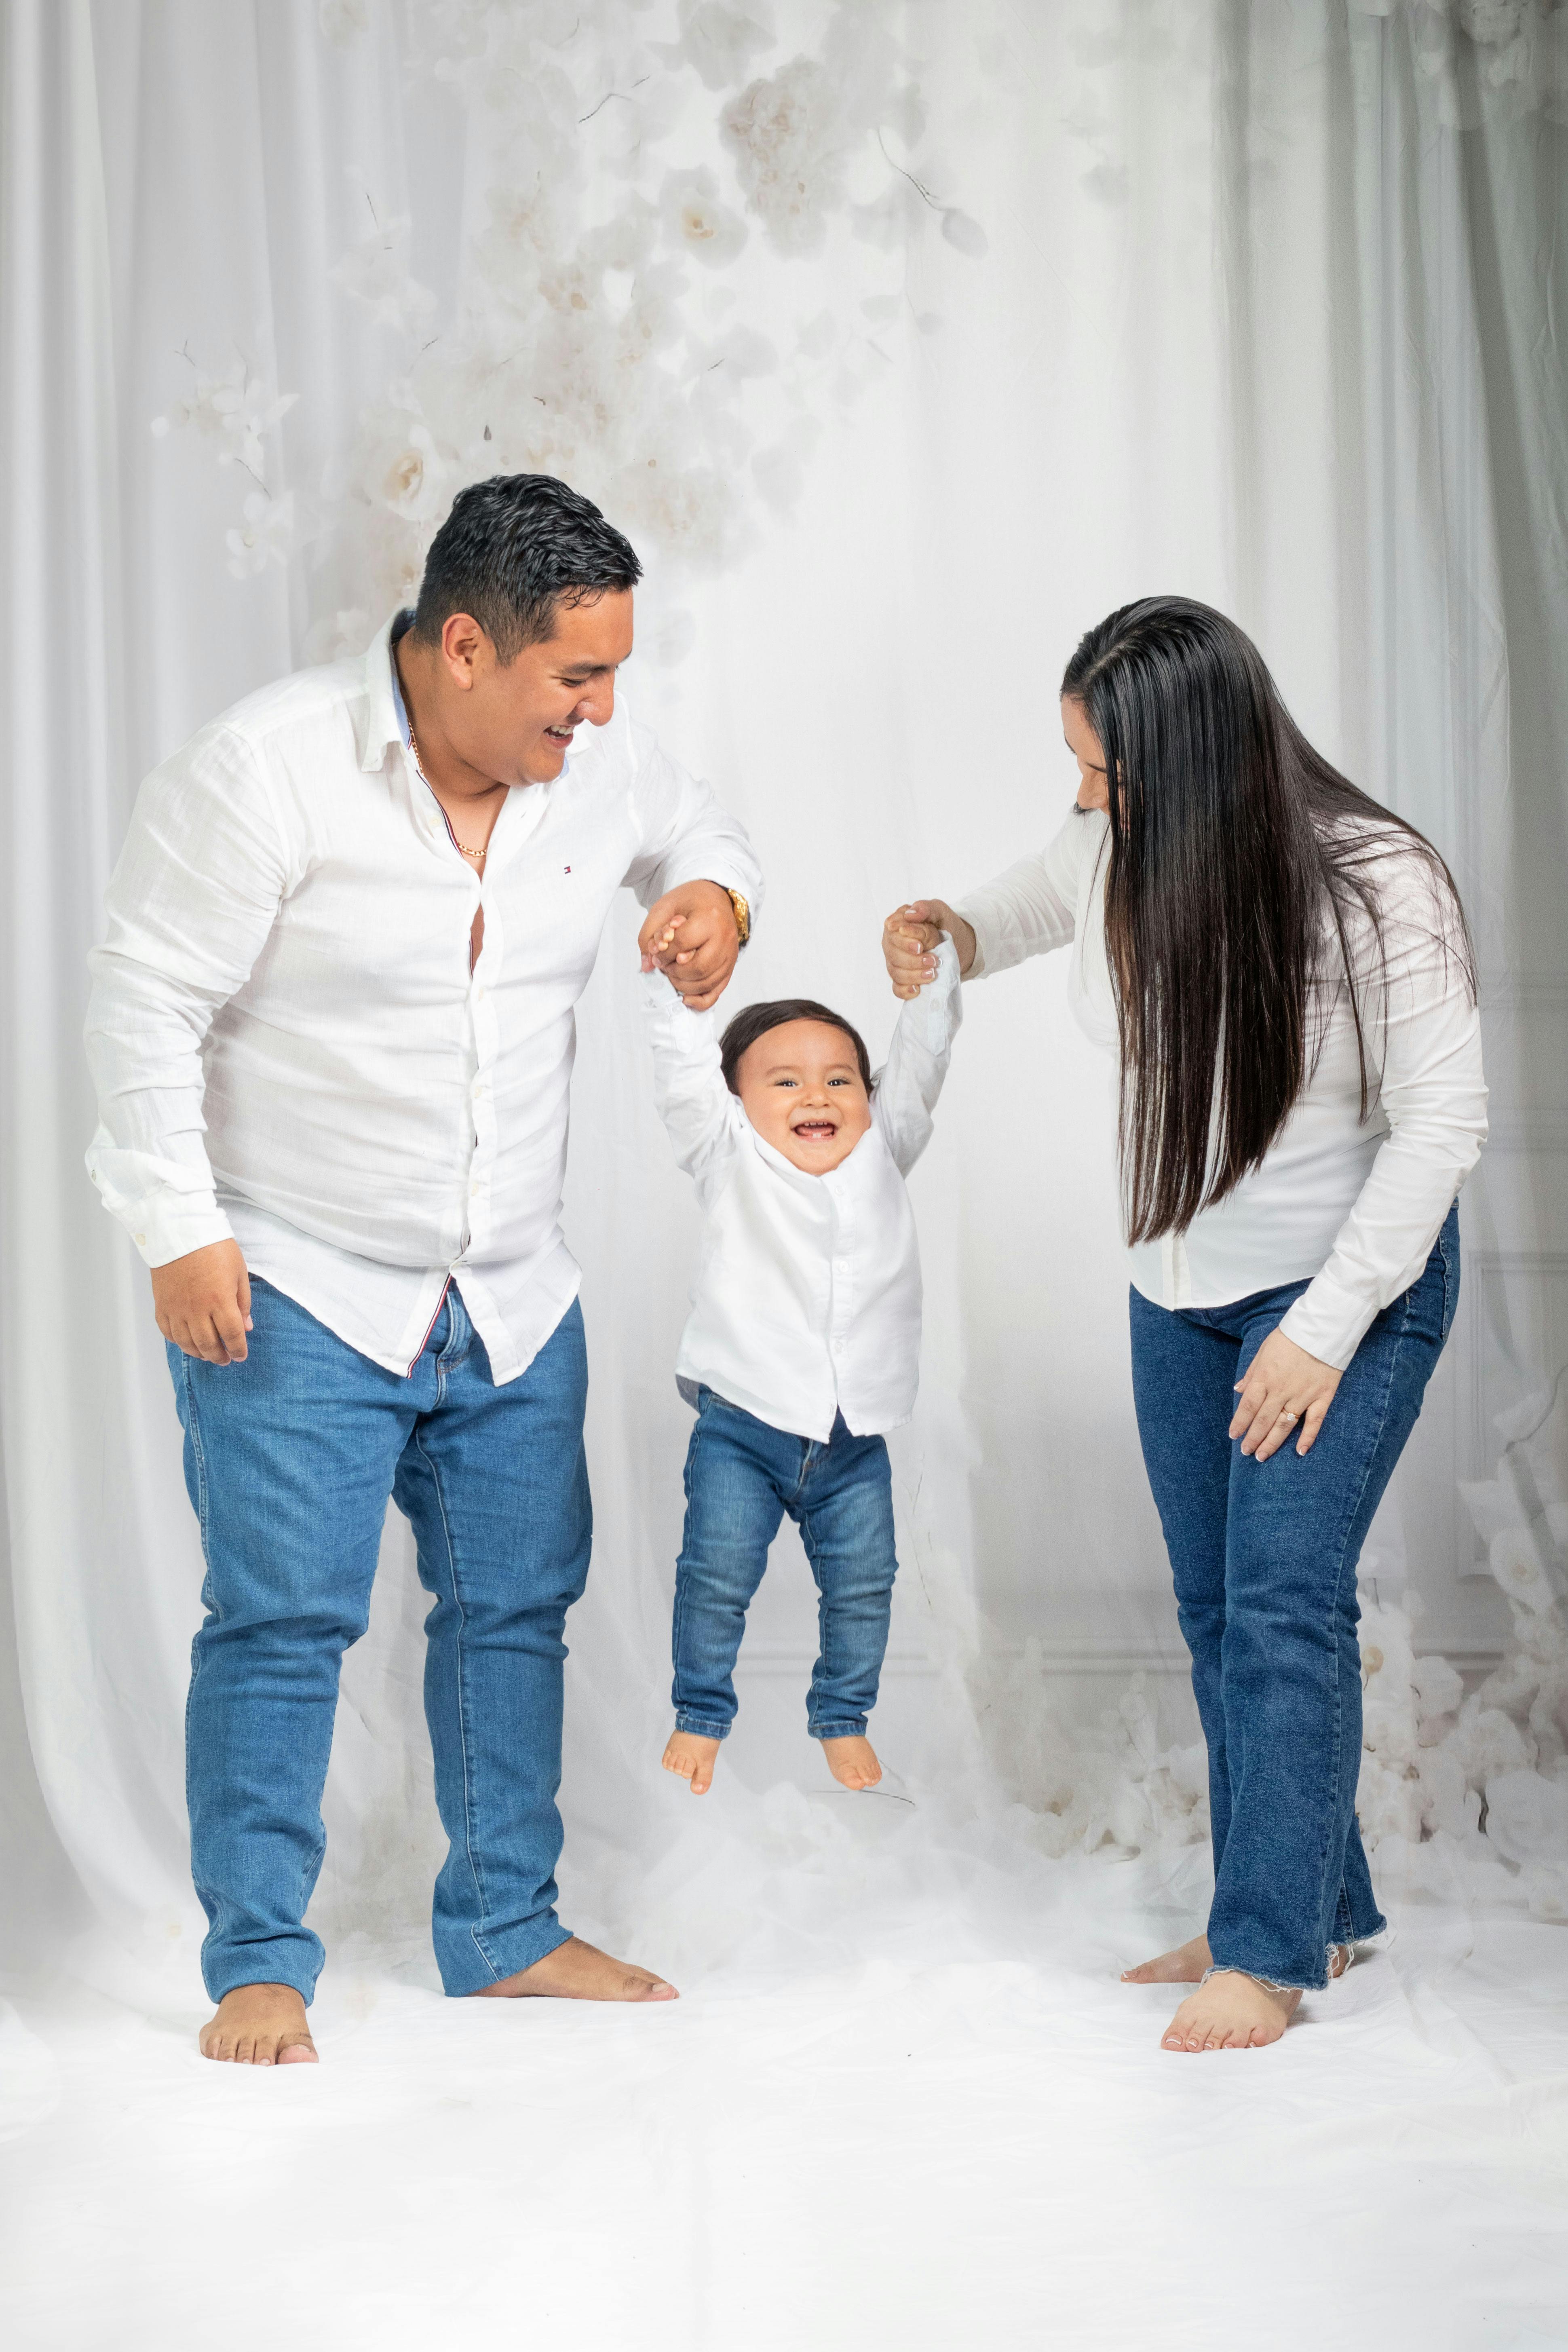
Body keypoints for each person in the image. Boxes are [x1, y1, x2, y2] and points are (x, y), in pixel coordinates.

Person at [84, 472, 762, 2065]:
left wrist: (716, 895)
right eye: (576, 676)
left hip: (514, 1290)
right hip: (297, 1282)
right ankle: (259, 1959)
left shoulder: (596, 766)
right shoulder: (266, 767)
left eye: (613, 676)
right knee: (282, 1617)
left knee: (516, 1609)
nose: (603, 712)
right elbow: (140, 1001)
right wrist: (180, 1226)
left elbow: (694, 823)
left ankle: (505, 1929)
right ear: (464, 645)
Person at [883, 597, 1486, 2055]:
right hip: (1180, 1292)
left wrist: (1324, 1330)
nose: (1083, 797)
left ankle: (1263, 1951)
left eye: (1108, 771)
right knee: (1221, 1607)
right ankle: (1312, 1906)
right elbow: (1029, 905)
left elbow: (1442, 1124)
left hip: (1354, 1285)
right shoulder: (1109, 844)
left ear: (1201, 761)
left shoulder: (1374, 881)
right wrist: (947, 927)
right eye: (1078, 768)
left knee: (1284, 1598)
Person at [641, 915, 962, 1796]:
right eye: (783, 1080)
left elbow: (922, 1060)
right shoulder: (726, 1152)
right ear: (737, 1102)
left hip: (853, 1435)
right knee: (715, 1574)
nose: (815, 1096)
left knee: (864, 1585)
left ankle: (842, 1714)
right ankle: (700, 1713)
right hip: (742, 1424)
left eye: (839, 1079)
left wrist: (928, 978)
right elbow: (681, 1076)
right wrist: (673, 988)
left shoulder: (881, 1151)